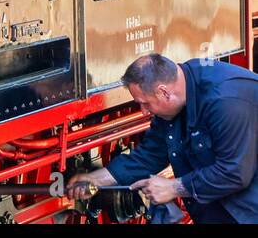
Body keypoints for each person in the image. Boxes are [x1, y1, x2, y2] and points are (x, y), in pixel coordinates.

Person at [67, 53, 258, 223]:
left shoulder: (226, 102)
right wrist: (96, 179)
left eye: (145, 103)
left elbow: (234, 173)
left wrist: (175, 187)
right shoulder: (177, 97)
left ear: (164, 92)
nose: (143, 112)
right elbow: (151, 153)